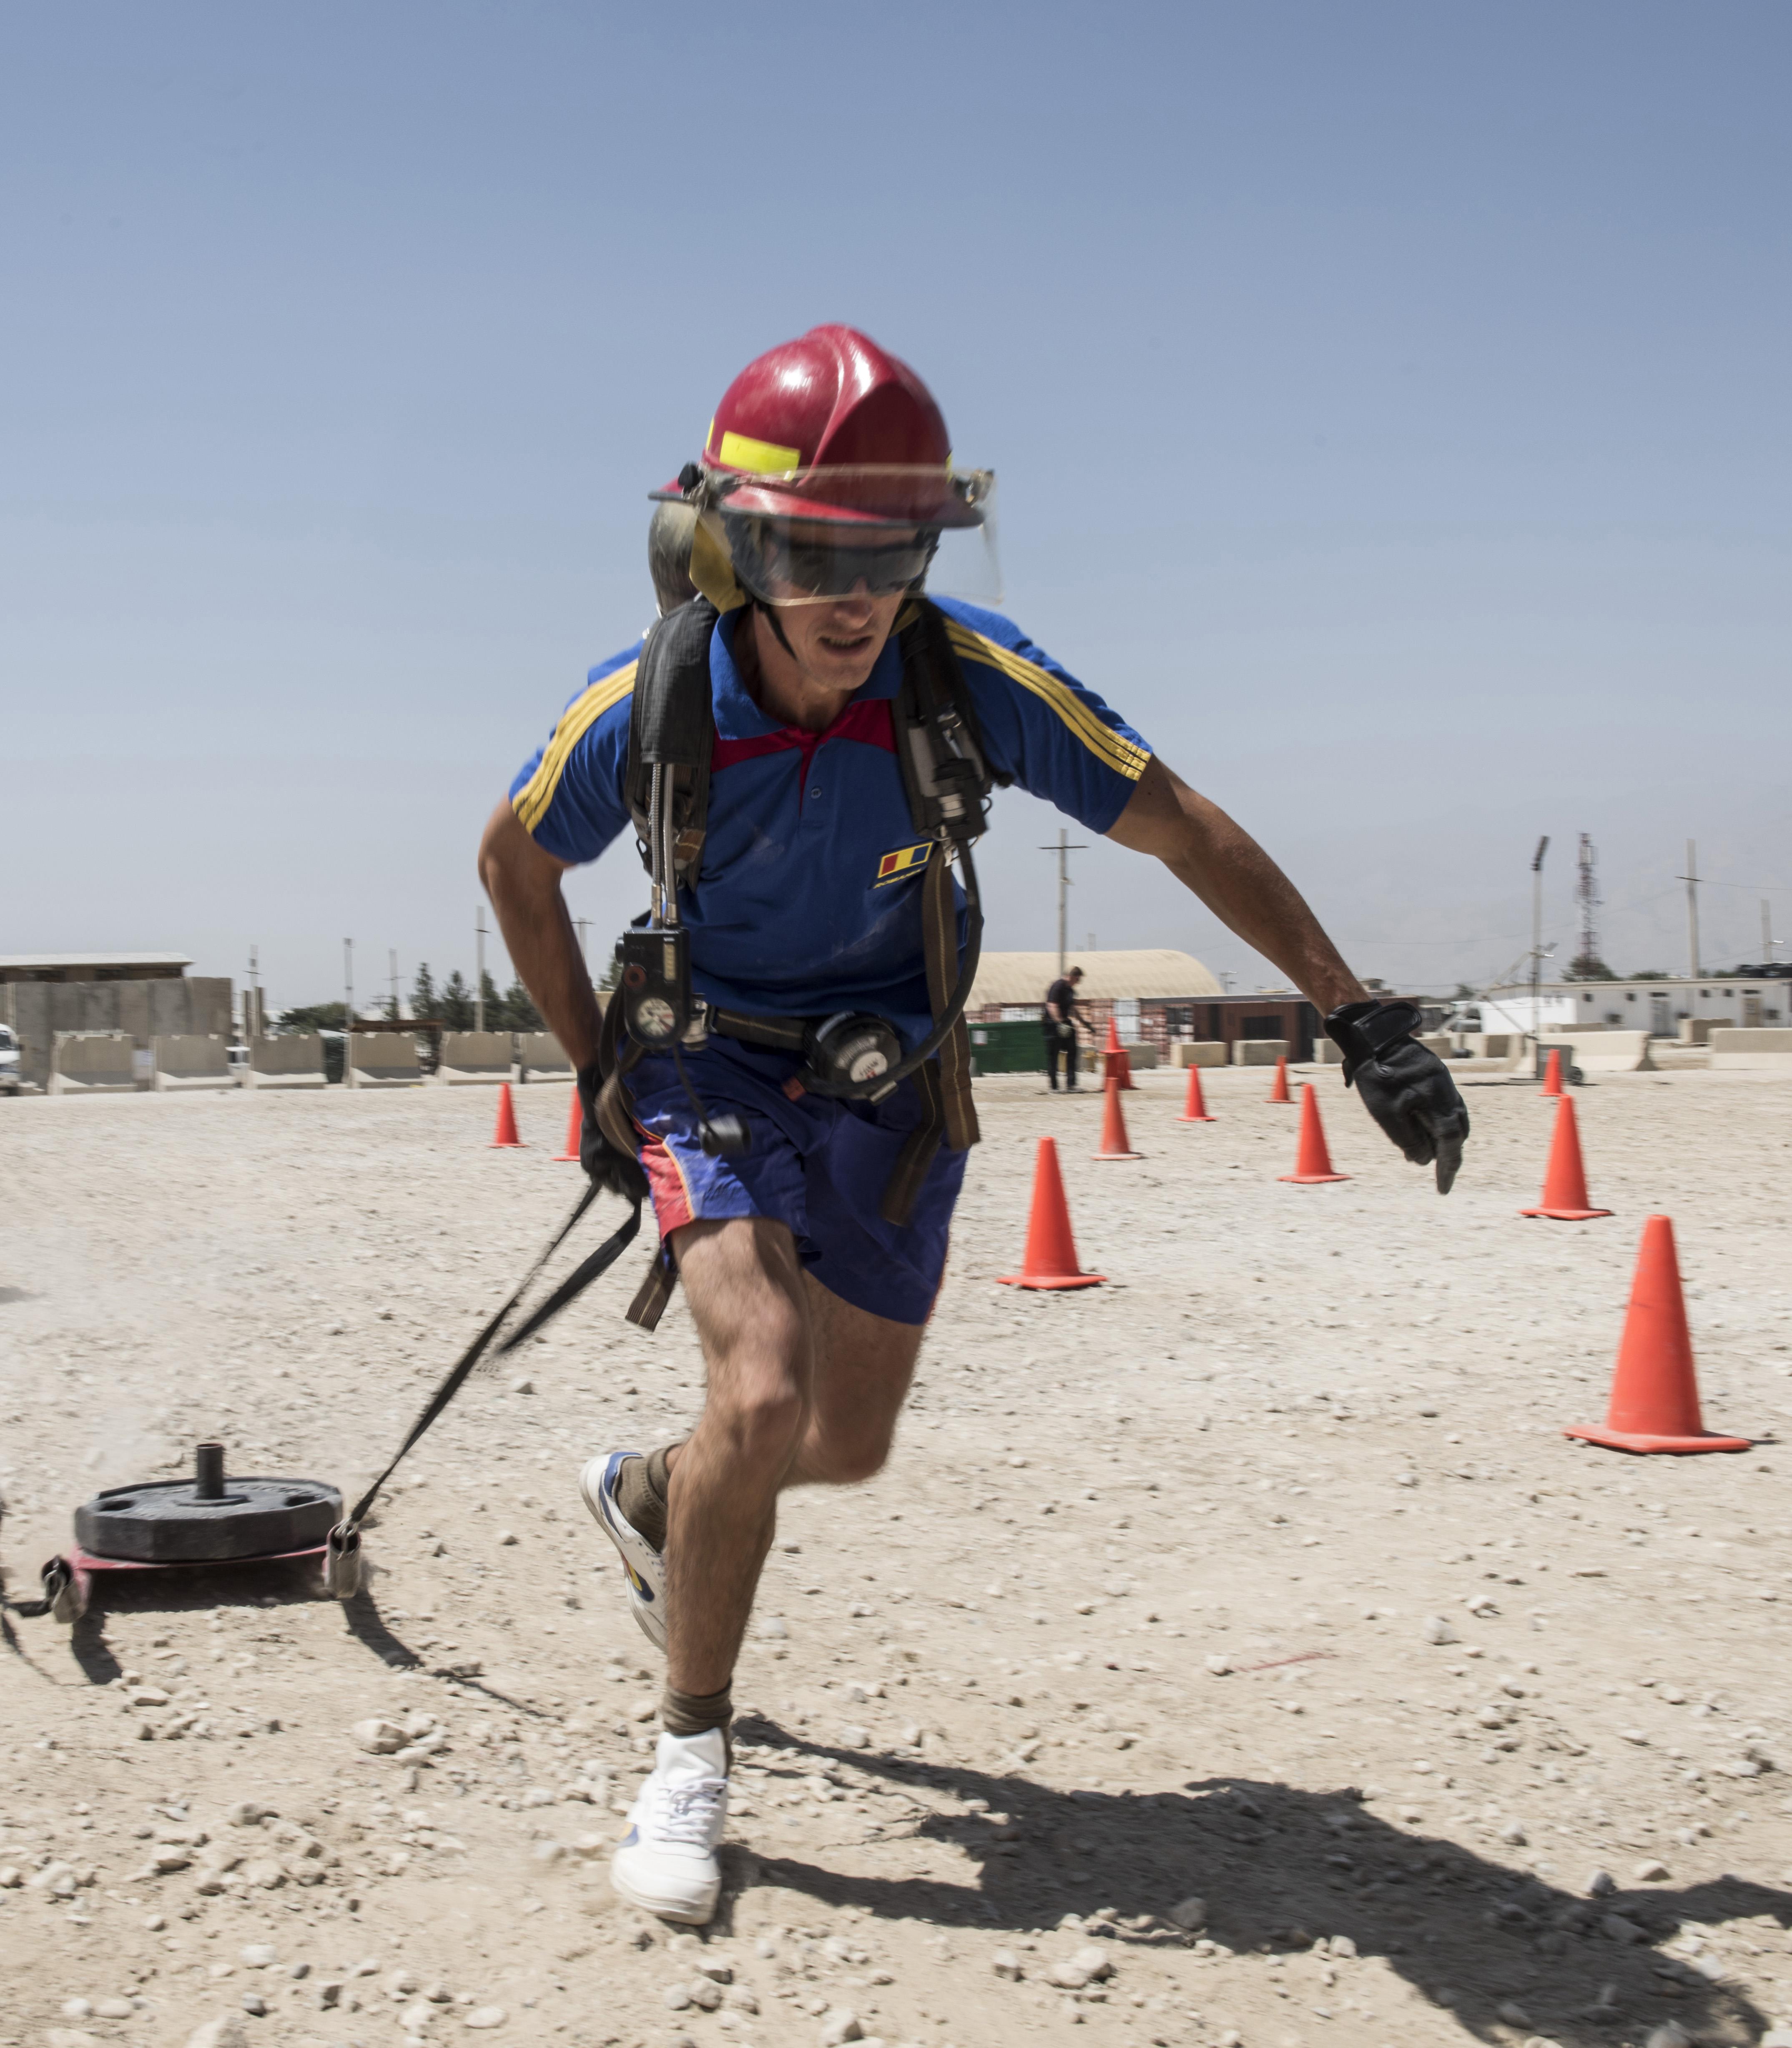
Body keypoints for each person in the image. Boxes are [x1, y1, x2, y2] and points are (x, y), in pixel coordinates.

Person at [478, 324, 1470, 1926]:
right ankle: (689, 1747)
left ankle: (660, 1493)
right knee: (761, 1375)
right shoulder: (648, 707)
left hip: (892, 1079)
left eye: (895, 548)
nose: (854, 594)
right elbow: (514, 870)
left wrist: (1349, 1014)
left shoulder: (969, 680)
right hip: (711, 1070)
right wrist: (599, 1068)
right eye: (811, 550)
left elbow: (1182, 825)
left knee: (836, 1445)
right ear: (732, 543)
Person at [1042, 963, 1090, 1089]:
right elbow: (1052, 1006)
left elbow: (1073, 1008)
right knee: (1054, 1055)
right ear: (1073, 976)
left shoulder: (1070, 990)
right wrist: (1060, 1023)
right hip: (1053, 1024)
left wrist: (1084, 1023)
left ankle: (1071, 1084)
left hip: (1065, 1023)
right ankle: (1054, 1087)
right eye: (1078, 979)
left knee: (1072, 1052)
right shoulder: (1058, 986)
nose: (1078, 982)